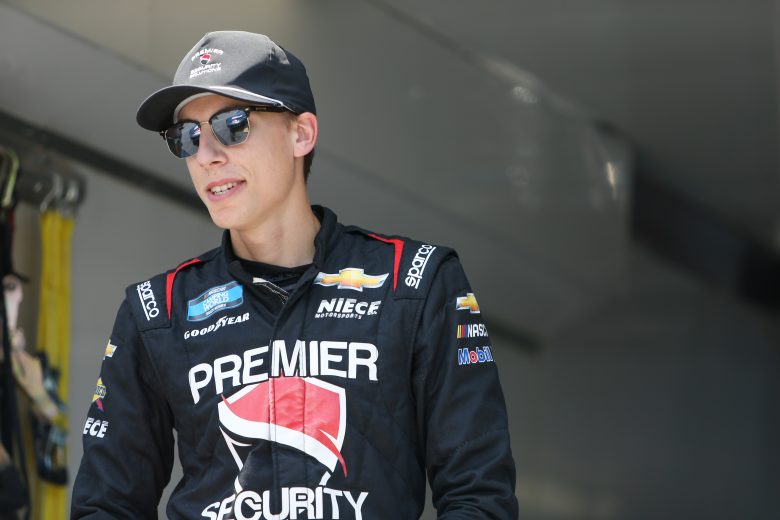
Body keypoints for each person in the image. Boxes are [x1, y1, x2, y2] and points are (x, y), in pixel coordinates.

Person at [71, 30, 518, 520]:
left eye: (233, 125)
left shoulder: (414, 282)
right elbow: (105, 506)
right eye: (187, 136)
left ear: (301, 134)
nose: (206, 156)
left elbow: (479, 497)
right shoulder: (157, 311)